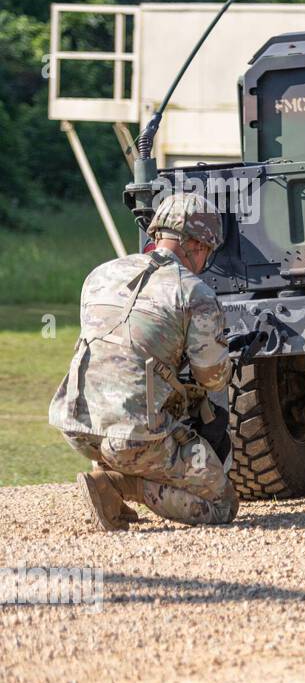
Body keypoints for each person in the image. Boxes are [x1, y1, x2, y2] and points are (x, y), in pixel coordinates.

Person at [49, 192, 239, 529]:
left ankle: (110, 468)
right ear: (196, 244)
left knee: (140, 430)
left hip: (76, 425)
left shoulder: (100, 275)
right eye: (207, 251)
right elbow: (211, 379)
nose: (204, 260)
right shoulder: (194, 293)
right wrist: (230, 356)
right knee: (222, 505)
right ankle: (119, 483)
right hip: (134, 436)